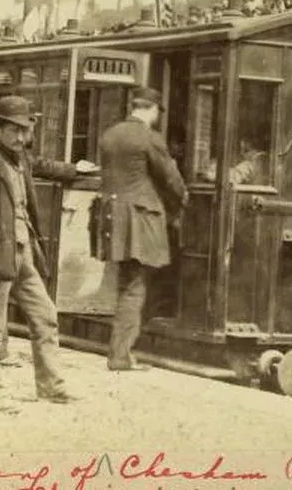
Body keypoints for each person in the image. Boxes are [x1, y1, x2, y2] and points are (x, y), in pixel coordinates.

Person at [0, 95, 99, 413]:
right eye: (15, 130)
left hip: (22, 253)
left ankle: (52, 386)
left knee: (46, 316)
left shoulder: (20, 158)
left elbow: (44, 165)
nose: (21, 137)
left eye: (25, 130)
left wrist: (75, 169)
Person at [94, 87, 188, 371]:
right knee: (135, 286)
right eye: (158, 111)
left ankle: (120, 350)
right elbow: (171, 178)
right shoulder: (149, 138)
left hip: (114, 219)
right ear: (152, 109)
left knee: (127, 282)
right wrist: (183, 200)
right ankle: (120, 355)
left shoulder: (110, 135)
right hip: (140, 219)